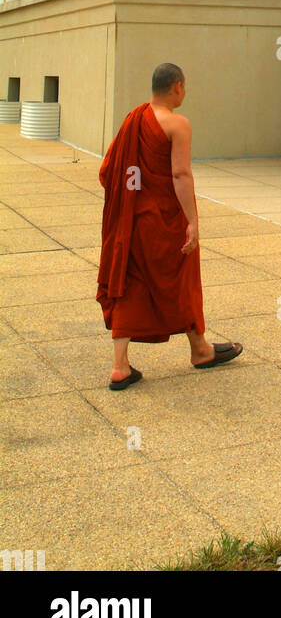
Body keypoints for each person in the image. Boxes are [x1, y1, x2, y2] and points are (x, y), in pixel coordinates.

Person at [96, 63, 242, 389]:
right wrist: (192, 221)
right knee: (183, 279)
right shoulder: (178, 124)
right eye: (185, 87)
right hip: (164, 220)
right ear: (177, 87)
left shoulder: (133, 119)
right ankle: (200, 350)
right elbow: (180, 175)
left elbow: (108, 171)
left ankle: (120, 366)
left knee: (128, 285)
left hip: (132, 222)